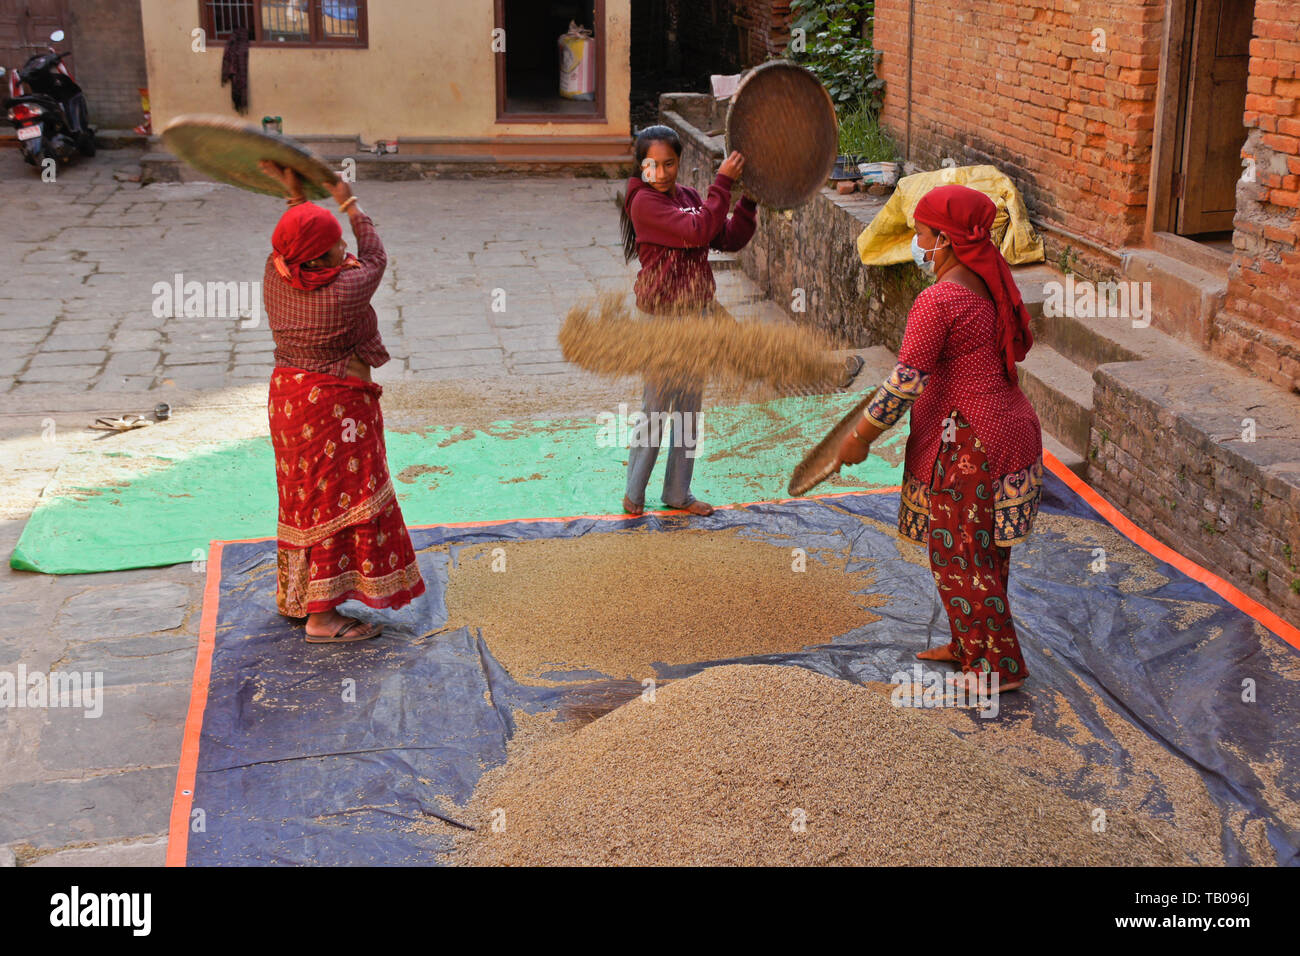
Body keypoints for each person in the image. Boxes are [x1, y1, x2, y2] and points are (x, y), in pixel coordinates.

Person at [837, 184, 1043, 693]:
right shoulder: (987, 281)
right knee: (983, 553)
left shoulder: (939, 299)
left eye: (921, 234)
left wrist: (861, 436)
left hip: (971, 442)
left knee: (959, 554)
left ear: (946, 240)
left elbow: (907, 380)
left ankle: (996, 669)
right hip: (1006, 428)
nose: (916, 243)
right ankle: (969, 643)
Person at [258, 160, 426, 643]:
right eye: (335, 242)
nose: (344, 246)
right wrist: (348, 202)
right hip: (334, 411)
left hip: (290, 403)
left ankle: (301, 596)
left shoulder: (276, 273)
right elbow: (375, 256)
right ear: (318, 259)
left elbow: (294, 242)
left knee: (305, 502)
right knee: (339, 504)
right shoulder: (345, 291)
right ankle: (323, 619)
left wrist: (296, 198)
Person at [618, 125, 757, 517]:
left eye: (669, 164)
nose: (660, 174)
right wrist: (723, 183)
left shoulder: (689, 197)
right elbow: (697, 230)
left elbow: (724, 237)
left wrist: (747, 202)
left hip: (696, 315)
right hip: (662, 321)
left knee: (689, 409)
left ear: (679, 163)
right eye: (651, 165)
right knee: (657, 406)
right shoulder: (643, 203)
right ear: (640, 165)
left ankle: (678, 492)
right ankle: (634, 493)